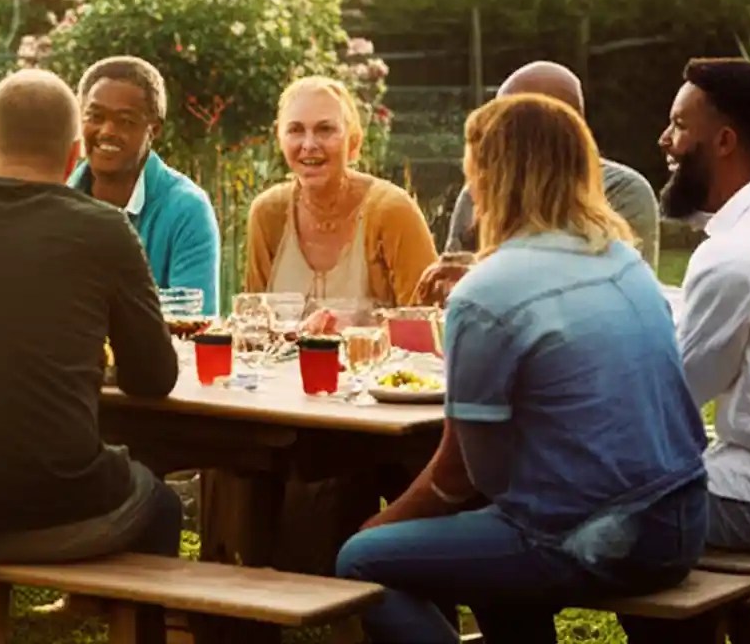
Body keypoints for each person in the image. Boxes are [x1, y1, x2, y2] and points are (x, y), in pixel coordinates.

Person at [335, 94, 707, 644]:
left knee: (362, 558)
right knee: (496, 525)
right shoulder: (621, 259)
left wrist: (377, 525)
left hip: (598, 539)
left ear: (486, 176)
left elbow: (465, 478)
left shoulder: (485, 295)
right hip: (681, 521)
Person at [0, 68, 182, 644]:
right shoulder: (102, 229)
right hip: (52, 509)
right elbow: (154, 377)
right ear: (75, 149)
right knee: (165, 505)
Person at [661, 59, 750, 558]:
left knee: (581, 500)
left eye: (679, 125)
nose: (664, 140)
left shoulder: (735, 254)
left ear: (724, 142)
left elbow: (673, 395)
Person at [443, 61, 660, 267]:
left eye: (509, 123)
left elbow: (609, 287)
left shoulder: (623, 190)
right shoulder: (477, 191)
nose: (493, 132)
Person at [246, 76, 436, 308]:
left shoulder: (392, 211)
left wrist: (358, 327)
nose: (309, 144)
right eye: (295, 130)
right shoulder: (268, 213)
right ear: (280, 139)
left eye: (325, 129)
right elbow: (252, 322)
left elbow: (428, 325)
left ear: (353, 141)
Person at [66, 56, 221, 316]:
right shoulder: (58, 201)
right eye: (95, 116)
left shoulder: (186, 209)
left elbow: (193, 323)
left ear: (154, 130)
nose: (107, 131)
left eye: (125, 121)